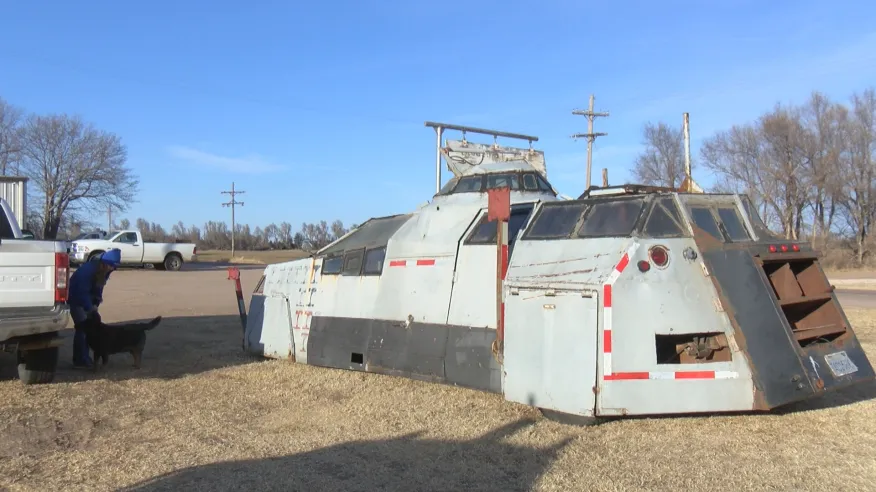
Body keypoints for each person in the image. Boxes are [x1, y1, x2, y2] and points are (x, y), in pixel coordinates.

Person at [68, 248, 121, 368]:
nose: (112, 269)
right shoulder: (86, 272)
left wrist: (96, 301)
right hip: (76, 300)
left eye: (114, 267)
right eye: (111, 266)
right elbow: (80, 292)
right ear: (104, 263)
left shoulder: (104, 270)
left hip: (87, 300)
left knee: (90, 329)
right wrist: (90, 307)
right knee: (83, 329)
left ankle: (85, 357)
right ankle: (80, 360)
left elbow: (99, 286)